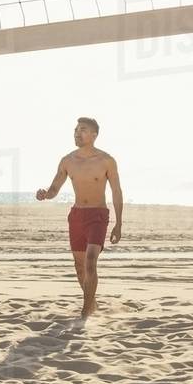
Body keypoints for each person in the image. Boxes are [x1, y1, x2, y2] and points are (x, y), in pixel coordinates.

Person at [36, 117, 123, 322]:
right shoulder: (68, 160)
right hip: (77, 215)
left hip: (97, 215)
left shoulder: (106, 161)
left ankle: (86, 312)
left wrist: (119, 223)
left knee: (91, 261)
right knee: (79, 265)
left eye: (82, 130)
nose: (77, 133)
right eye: (75, 129)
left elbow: (117, 191)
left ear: (94, 135)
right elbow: (55, 188)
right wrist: (45, 194)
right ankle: (91, 301)